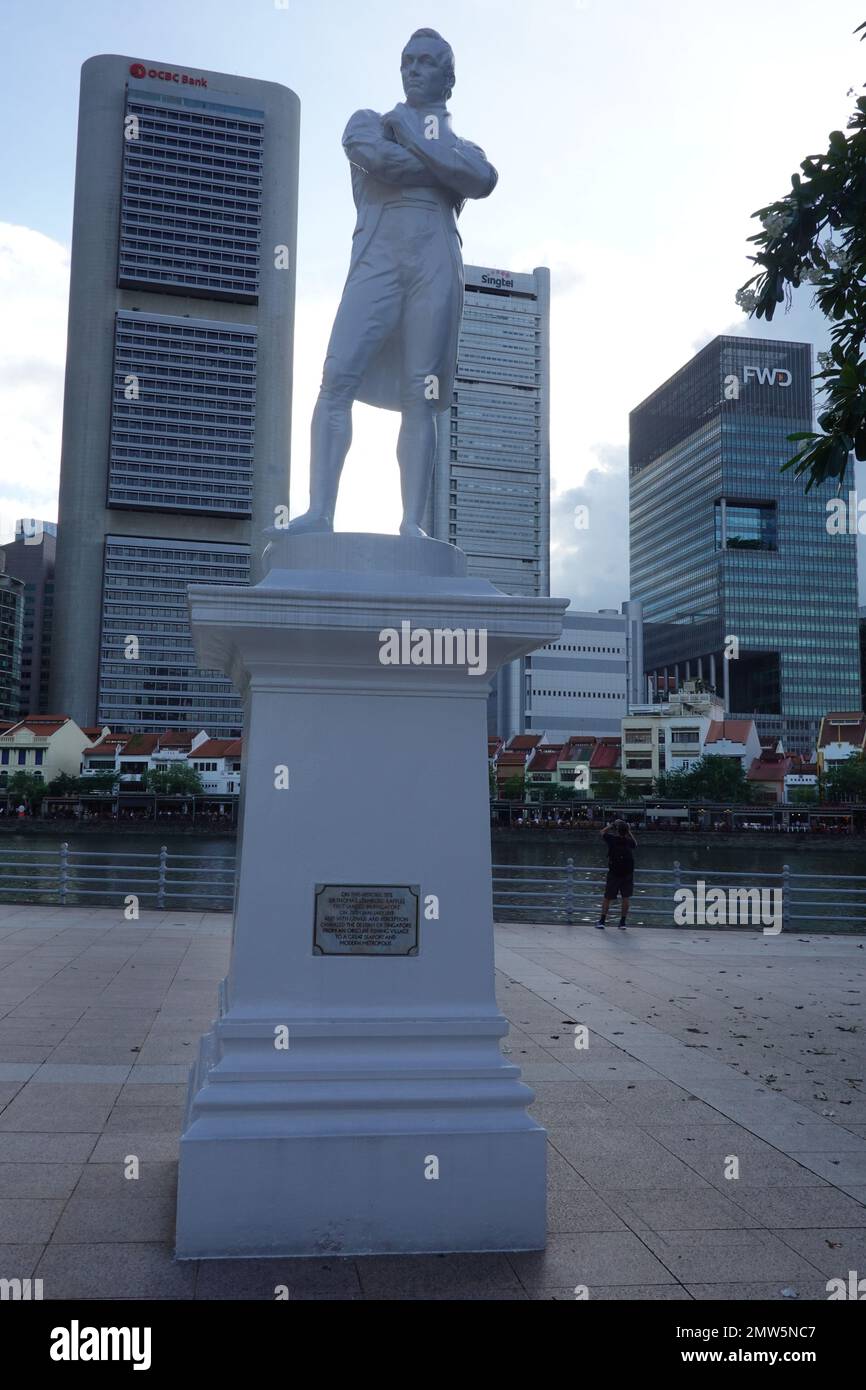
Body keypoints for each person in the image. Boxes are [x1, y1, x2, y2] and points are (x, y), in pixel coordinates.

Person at [286, 28, 497, 538]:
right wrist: (442, 167)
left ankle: (411, 524)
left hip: (436, 264)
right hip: (378, 259)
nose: (413, 68)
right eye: (408, 60)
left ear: (449, 79)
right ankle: (320, 513)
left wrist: (425, 148)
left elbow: (483, 180)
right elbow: (379, 160)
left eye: (426, 62)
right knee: (336, 376)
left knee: (421, 394)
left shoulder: (467, 147)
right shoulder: (369, 123)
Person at [596, 818, 636, 930]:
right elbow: (635, 844)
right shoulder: (628, 841)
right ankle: (622, 923)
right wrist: (628, 831)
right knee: (625, 897)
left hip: (614, 873)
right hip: (627, 874)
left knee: (607, 897)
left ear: (617, 831)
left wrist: (612, 824)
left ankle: (602, 921)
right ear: (626, 831)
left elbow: (602, 832)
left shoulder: (612, 839)